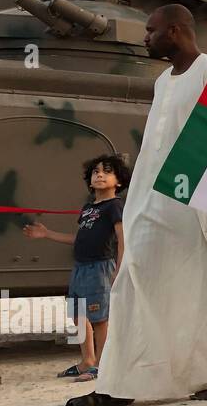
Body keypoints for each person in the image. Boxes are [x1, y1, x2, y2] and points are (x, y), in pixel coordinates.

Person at [58, 4, 207, 406]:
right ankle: (119, 381)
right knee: (134, 278)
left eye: (151, 30)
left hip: (206, 209)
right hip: (157, 205)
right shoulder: (164, 81)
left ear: (176, 31)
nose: (145, 38)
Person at [24, 154, 129, 382]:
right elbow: (79, 238)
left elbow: (122, 239)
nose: (99, 174)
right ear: (89, 180)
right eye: (95, 172)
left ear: (118, 181)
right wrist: (47, 234)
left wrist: (119, 270)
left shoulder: (115, 206)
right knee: (79, 316)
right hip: (80, 268)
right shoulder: (88, 208)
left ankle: (102, 365)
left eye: (107, 171)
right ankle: (87, 361)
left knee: (100, 319)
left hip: (101, 268)